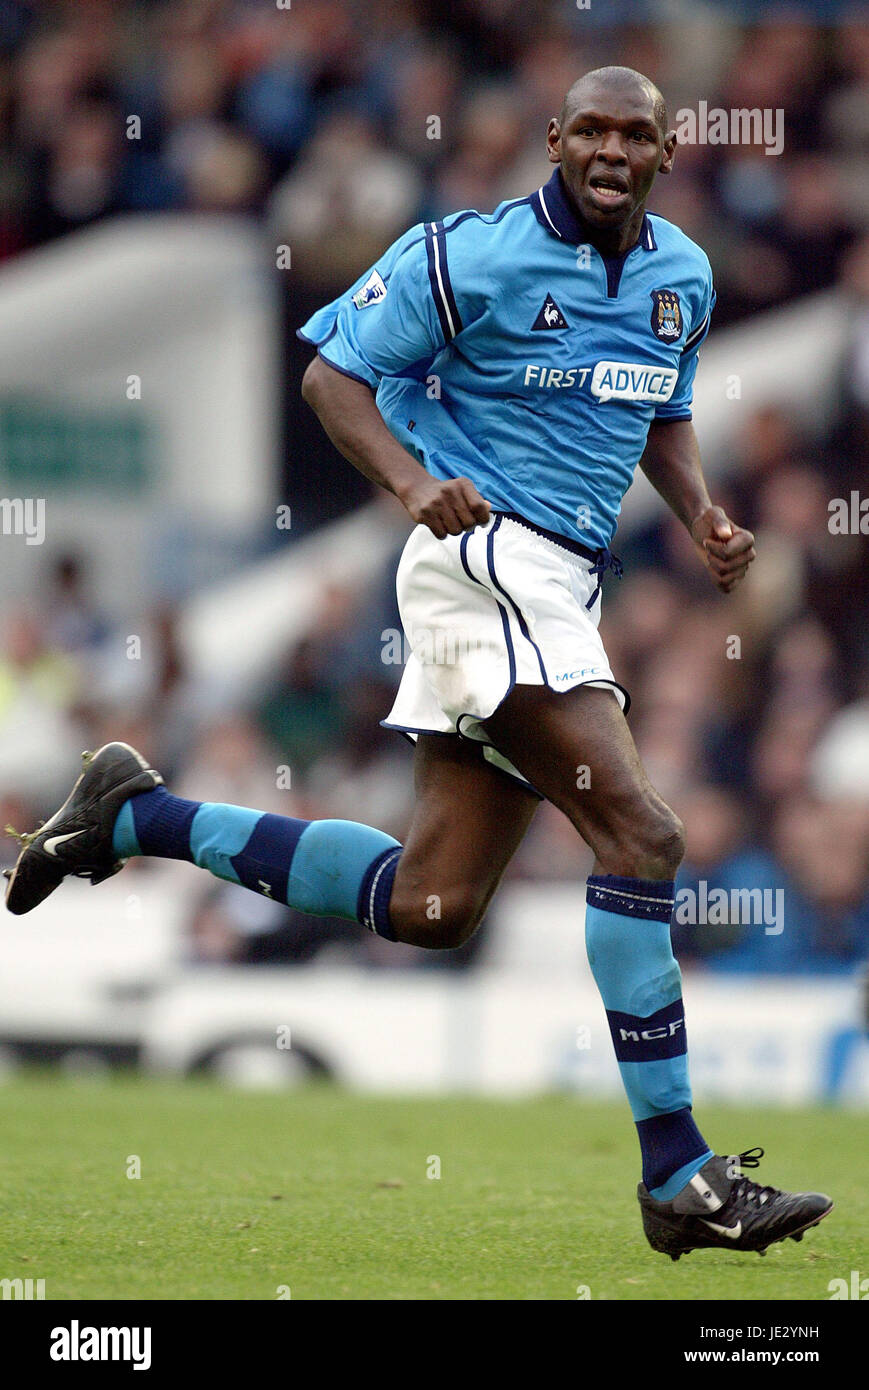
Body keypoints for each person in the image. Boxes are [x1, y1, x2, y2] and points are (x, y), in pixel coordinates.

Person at [5, 67, 832, 1260]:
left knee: (432, 905)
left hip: (562, 585)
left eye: (633, 133)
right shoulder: (466, 255)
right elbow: (330, 374)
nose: (608, 147)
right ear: (552, 140)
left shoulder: (682, 277)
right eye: (587, 129)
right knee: (640, 834)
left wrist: (698, 513)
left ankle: (137, 816)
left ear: (663, 154)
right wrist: (408, 483)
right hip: (478, 558)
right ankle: (678, 1174)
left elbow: (657, 408)